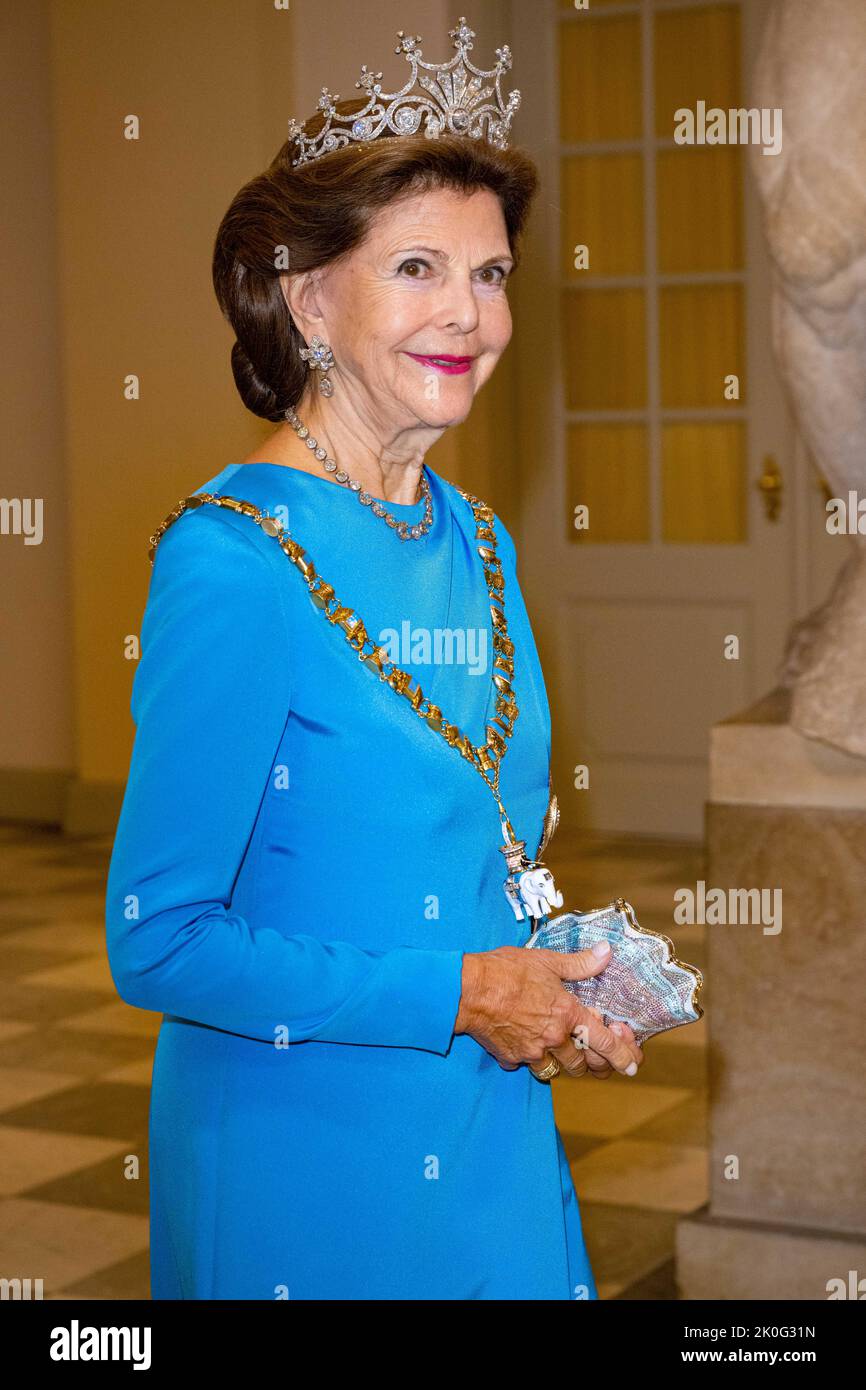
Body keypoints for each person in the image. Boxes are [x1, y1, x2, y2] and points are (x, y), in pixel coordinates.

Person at [106, 17, 644, 1301]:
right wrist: (461, 996)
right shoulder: (234, 561)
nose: (470, 313)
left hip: (489, 1134)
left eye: (493, 272)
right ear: (305, 296)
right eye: (417, 267)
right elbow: (160, 941)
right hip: (308, 1153)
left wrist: (569, 972)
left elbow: (476, 856)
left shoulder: (481, 540)